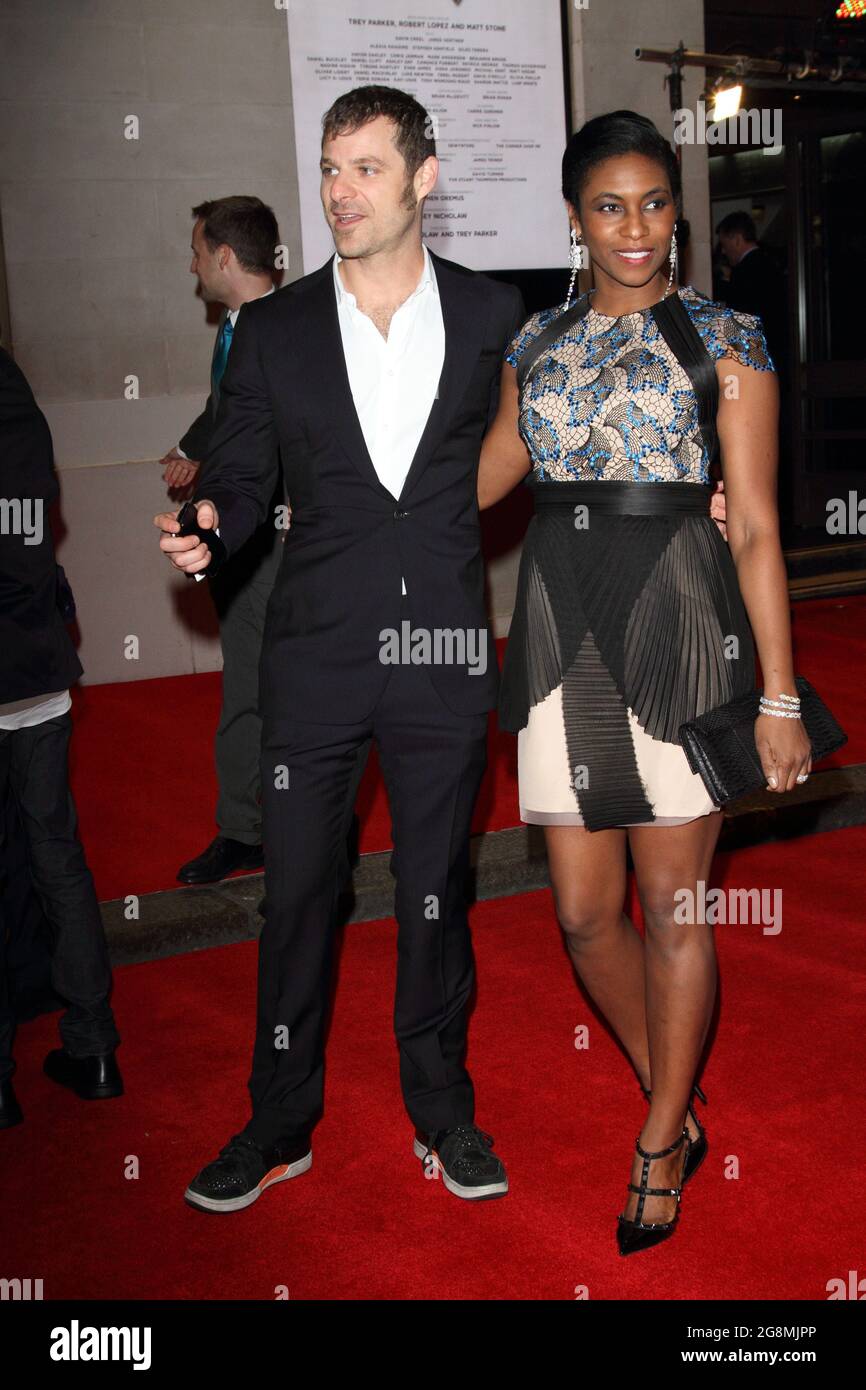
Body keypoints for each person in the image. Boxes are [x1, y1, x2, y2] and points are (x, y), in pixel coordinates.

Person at [154, 85, 526, 1212]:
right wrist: (213, 524)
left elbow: (546, 437)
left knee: (432, 890)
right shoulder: (273, 329)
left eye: (366, 166)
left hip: (443, 658)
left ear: (422, 178)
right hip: (314, 655)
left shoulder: (490, 314)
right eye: (329, 167)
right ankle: (278, 1120)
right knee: (299, 894)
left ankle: (441, 1109)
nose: (339, 191)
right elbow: (239, 471)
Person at [478, 111, 810, 1255]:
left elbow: (757, 525)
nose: (635, 227)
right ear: (572, 218)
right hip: (560, 623)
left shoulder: (727, 340)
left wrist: (776, 695)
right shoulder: (535, 343)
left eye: (654, 203)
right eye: (608, 206)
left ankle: (661, 1134)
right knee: (580, 914)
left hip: (678, 619)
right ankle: (663, 1072)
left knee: (674, 908)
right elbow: (473, 486)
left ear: (675, 212)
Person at [0, 347, 122, 1127]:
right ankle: (96, 1047)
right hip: (35, 661)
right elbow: (33, 525)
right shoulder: (10, 387)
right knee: (55, 853)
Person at [160, 196, 286, 887]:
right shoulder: (240, 327)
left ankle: (260, 828)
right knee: (255, 686)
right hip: (245, 534)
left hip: (277, 539)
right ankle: (261, 824)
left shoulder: (290, 330)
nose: (193, 265)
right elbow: (228, 409)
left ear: (226, 258)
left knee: (265, 690)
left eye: (198, 253)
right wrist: (191, 447)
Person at [716, 211, 788, 383]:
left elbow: (739, 318)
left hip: (756, 354)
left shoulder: (743, 272)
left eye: (725, 245)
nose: (724, 252)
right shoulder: (771, 262)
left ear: (737, 239)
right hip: (778, 350)